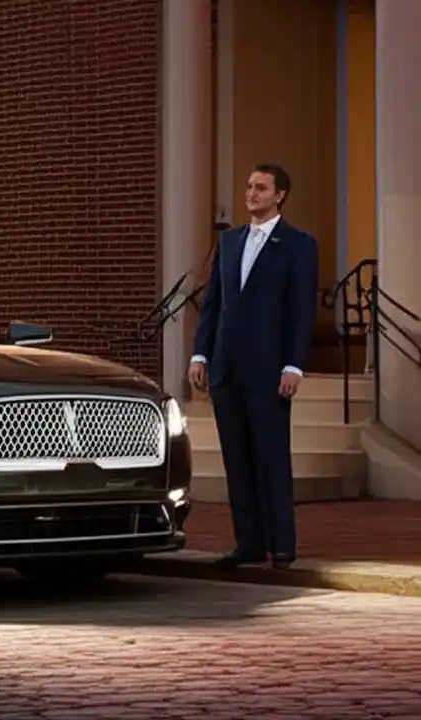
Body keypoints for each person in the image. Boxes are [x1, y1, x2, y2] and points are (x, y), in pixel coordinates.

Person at [189, 163, 318, 570]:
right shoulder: (229, 243)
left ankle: (282, 544)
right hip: (227, 367)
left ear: (279, 195)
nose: (252, 194)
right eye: (249, 187)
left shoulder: (297, 244)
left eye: (261, 188)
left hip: (269, 369)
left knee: (271, 455)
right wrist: (200, 354)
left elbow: (301, 310)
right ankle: (248, 542)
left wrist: (294, 364)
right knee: (237, 459)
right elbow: (212, 305)